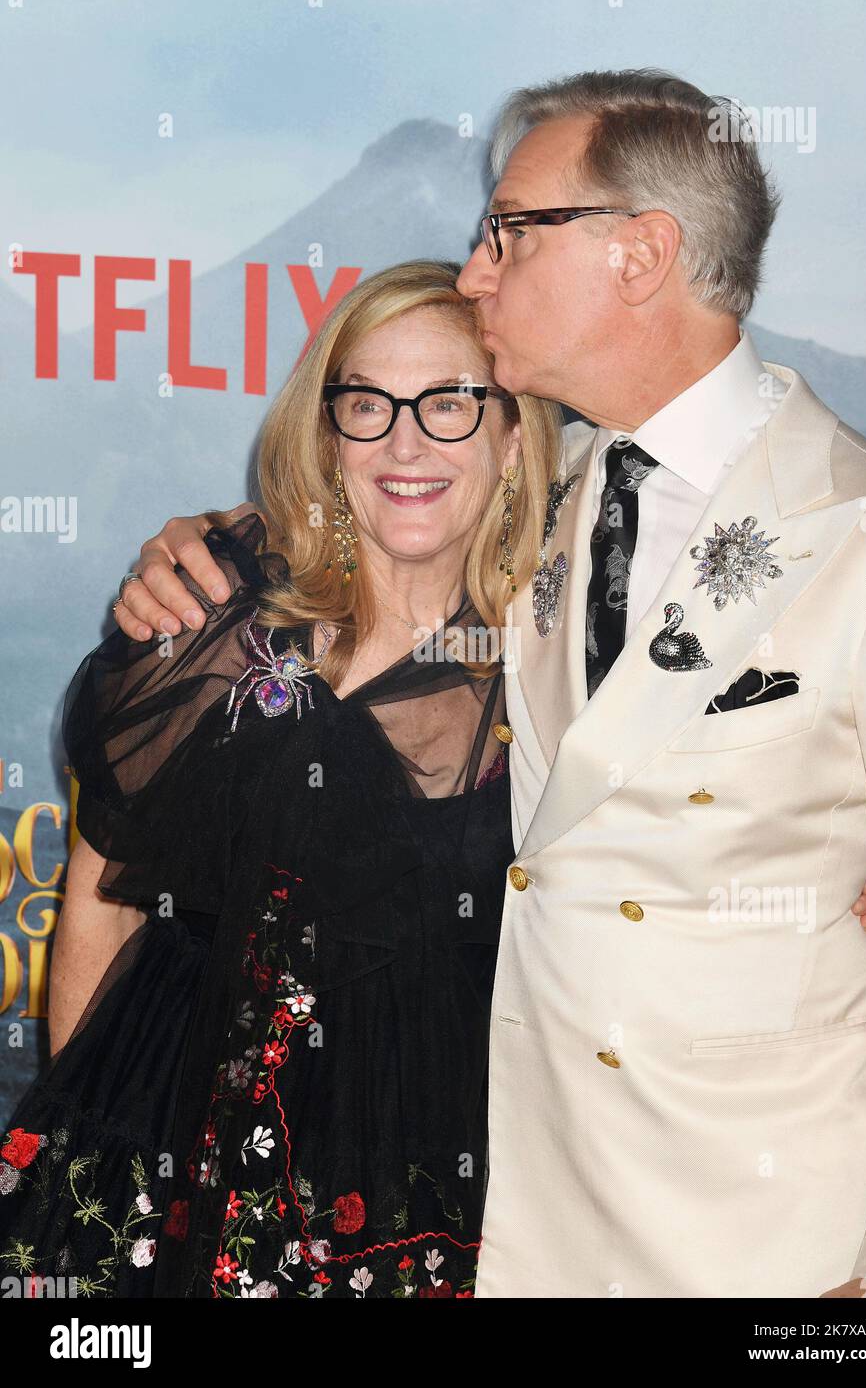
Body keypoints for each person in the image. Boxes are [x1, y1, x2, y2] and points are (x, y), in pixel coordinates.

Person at [111, 69, 866, 1300]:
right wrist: (206, 554)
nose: (475, 268)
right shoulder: (533, 499)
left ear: (640, 254)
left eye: (509, 230)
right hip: (515, 1237)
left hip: (774, 1255)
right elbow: (372, 517)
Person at [0, 259, 564, 1298]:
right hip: (168, 1137)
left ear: (513, 436)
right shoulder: (216, 605)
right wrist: (89, 1150)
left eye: (448, 403)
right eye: (367, 405)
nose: (405, 443)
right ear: (326, 432)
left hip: (422, 1182)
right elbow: (102, 894)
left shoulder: (561, 665)